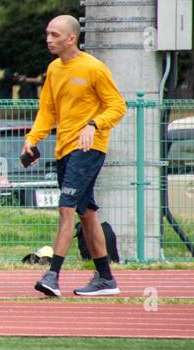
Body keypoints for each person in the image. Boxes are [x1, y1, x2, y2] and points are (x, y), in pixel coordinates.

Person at [26, 15, 127, 298]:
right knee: (87, 213)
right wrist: (32, 139)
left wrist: (93, 125)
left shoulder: (94, 68)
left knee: (66, 207)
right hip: (65, 149)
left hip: (88, 149)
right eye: (47, 34)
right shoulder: (53, 70)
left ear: (72, 38)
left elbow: (117, 106)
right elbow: (47, 111)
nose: (49, 39)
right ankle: (106, 278)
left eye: (55, 35)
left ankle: (52, 275)